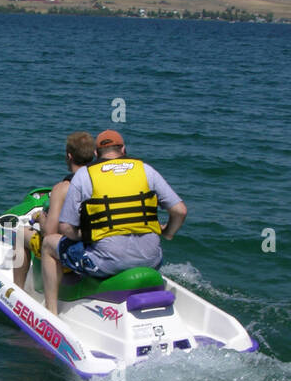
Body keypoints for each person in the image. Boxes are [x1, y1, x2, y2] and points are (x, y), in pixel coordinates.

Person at [40, 129, 187, 314]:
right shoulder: (146, 170)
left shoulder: (85, 175)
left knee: (48, 244)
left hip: (107, 263)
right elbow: (180, 211)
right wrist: (168, 233)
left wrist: (86, 235)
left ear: (96, 153)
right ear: (123, 149)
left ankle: (50, 311)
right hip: (152, 260)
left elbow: (66, 228)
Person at [13, 131, 97, 289]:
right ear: (93, 155)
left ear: (69, 156)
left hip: (70, 253)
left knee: (19, 234)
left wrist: (41, 219)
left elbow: (49, 233)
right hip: (96, 247)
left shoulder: (63, 188)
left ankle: (17, 290)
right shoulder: (101, 181)